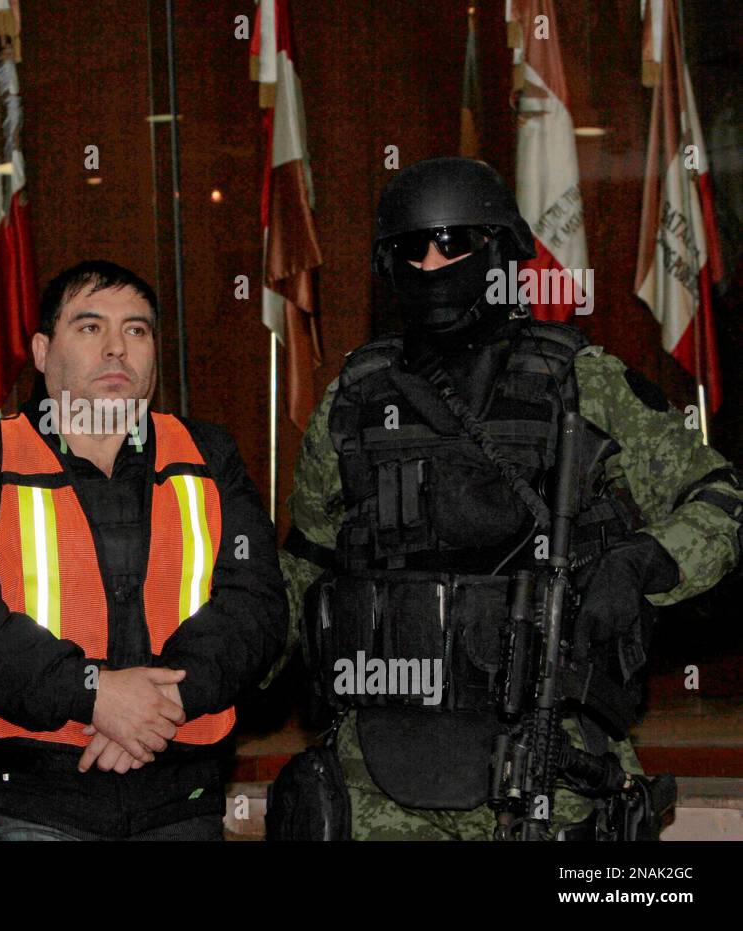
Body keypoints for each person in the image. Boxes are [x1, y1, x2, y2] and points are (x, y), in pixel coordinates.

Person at [279, 157, 743, 840]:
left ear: (500, 250)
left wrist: (642, 562)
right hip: (377, 775)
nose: (433, 263)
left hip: (549, 760)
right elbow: (302, 566)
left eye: (455, 242)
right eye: (413, 247)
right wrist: (218, 656)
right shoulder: (351, 401)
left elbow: (722, 499)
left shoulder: (581, 381)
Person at [0, 260, 286, 840]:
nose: (116, 349)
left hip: (181, 798)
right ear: (40, 350)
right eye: (89, 327)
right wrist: (93, 694)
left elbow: (255, 603)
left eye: (136, 330)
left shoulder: (209, 453)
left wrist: (156, 705)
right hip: (33, 802)